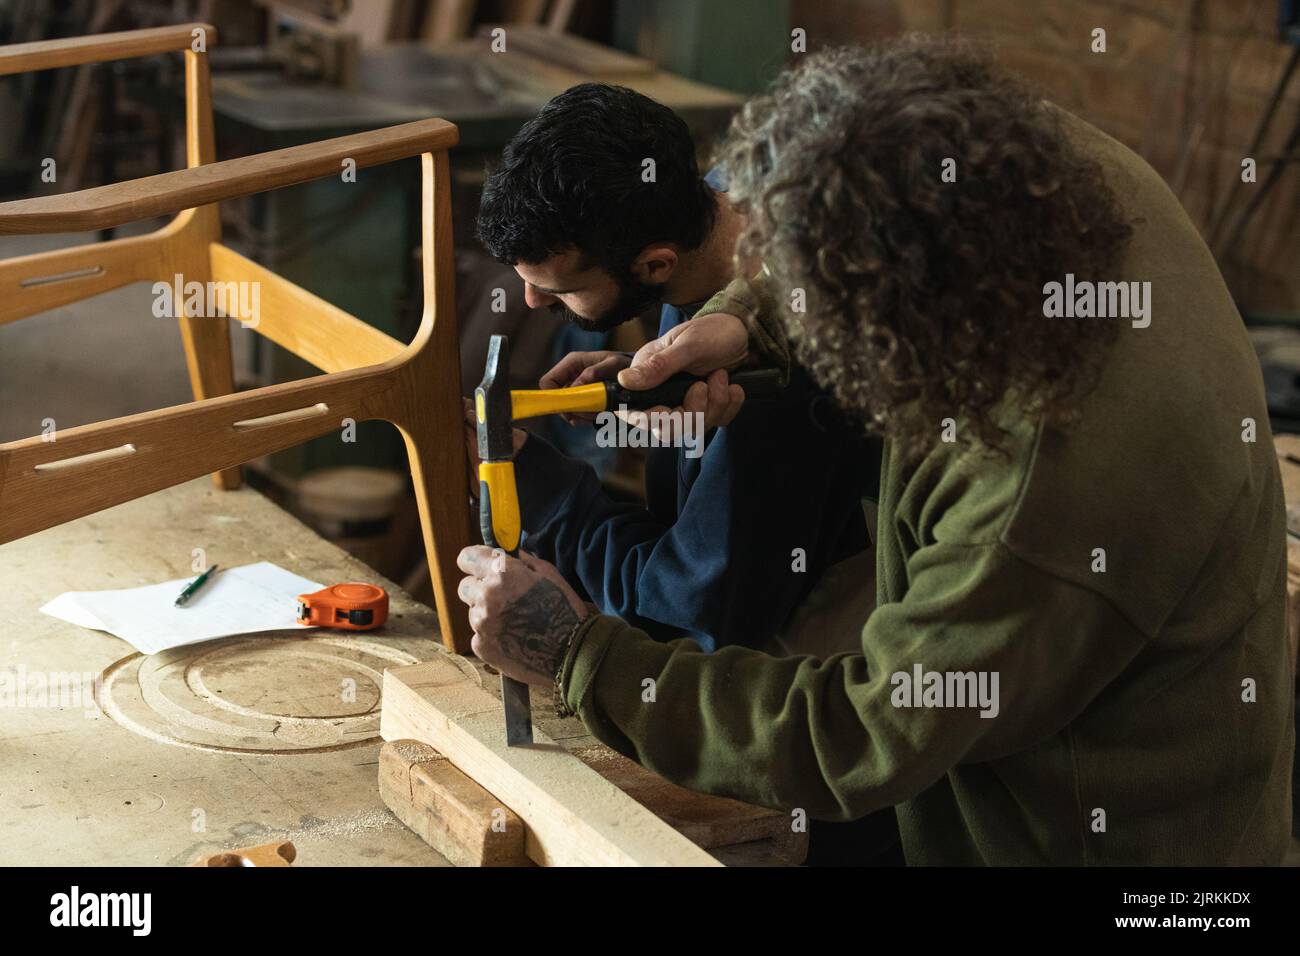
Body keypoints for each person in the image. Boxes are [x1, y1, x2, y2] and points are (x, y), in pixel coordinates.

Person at [455, 39, 1294, 865]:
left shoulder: (1032, 495)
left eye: (807, 303)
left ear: (895, 312)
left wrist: (579, 656)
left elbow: (867, 732)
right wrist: (748, 320)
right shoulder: (1028, 161)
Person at [471, 82, 876, 653]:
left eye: (558, 287)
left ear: (655, 264)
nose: (532, 301)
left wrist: (552, 497)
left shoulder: (766, 390)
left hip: (799, 668)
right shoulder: (719, 198)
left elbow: (686, 618)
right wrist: (634, 374)